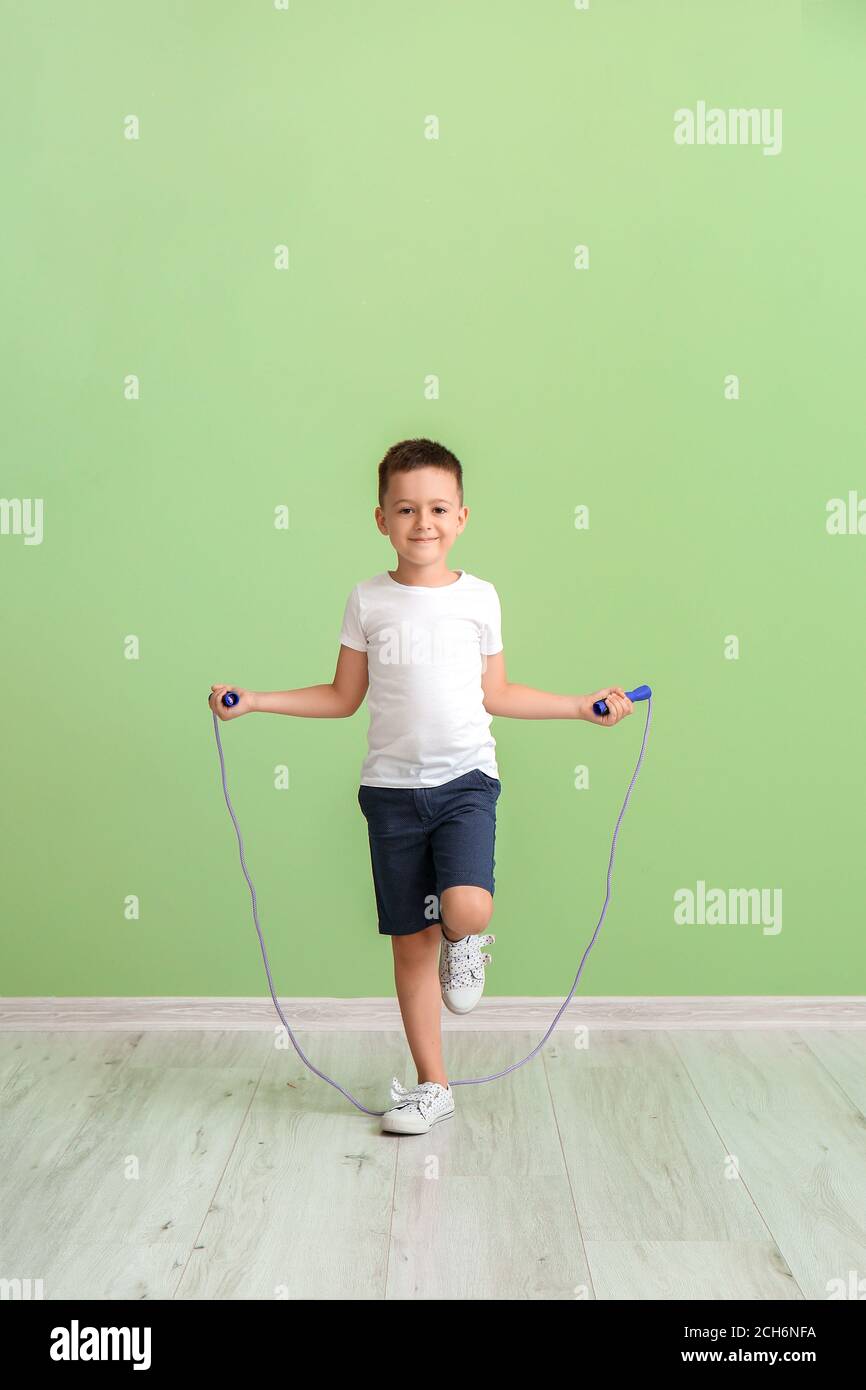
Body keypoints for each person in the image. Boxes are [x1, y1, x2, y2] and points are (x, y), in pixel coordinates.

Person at [209, 437, 633, 1135]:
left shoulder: (480, 598)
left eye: (437, 508)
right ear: (381, 519)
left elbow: (497, 692)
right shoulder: (367, 600)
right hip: (390, 793)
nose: (423, 522)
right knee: (410, 943)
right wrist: (256, 700)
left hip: (466, 781)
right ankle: (434, 1086)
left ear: (462, 516)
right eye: (406, 509)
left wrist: (579, 706)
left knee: (465, 908)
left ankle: (466, 941)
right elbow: (344, 696)